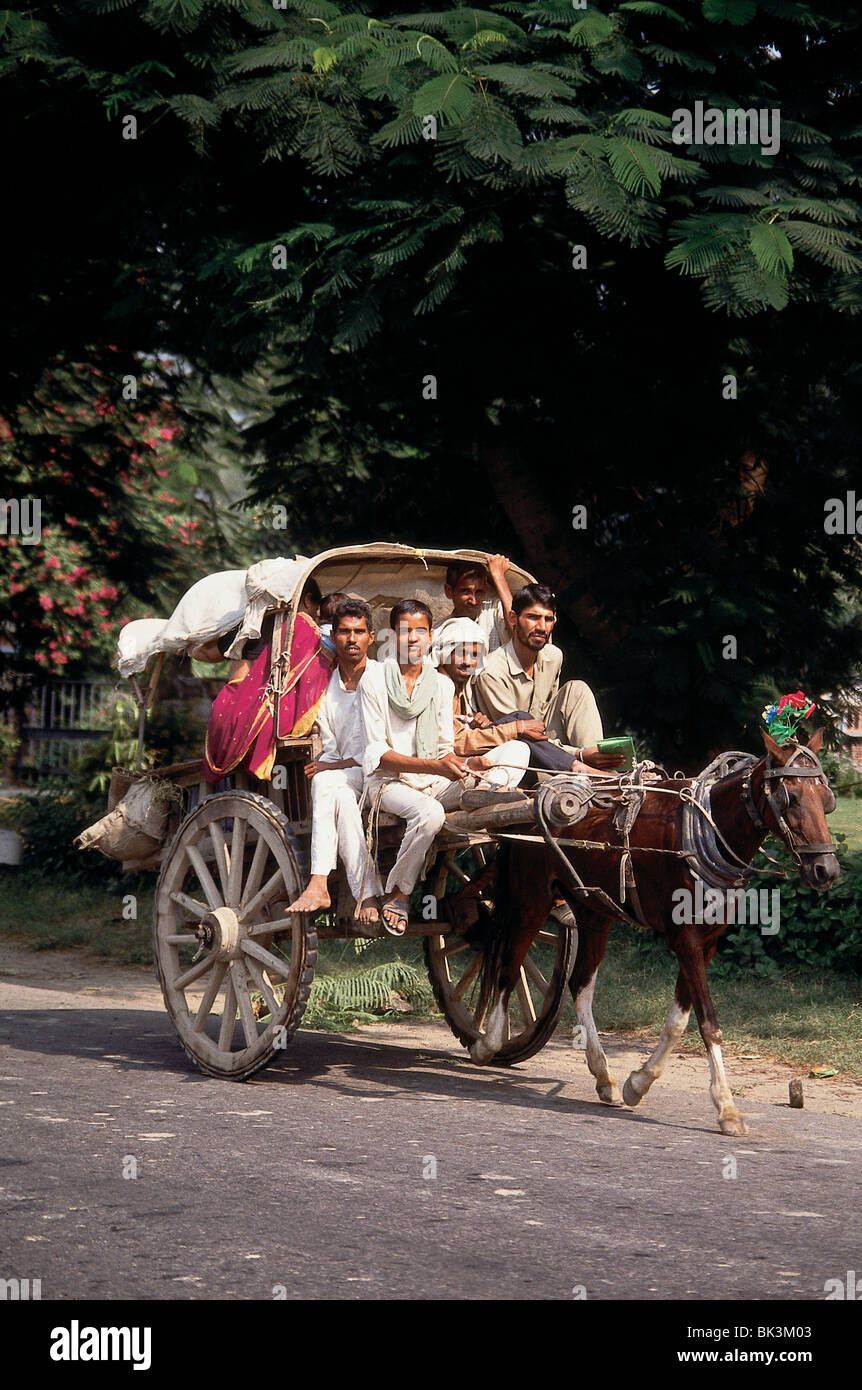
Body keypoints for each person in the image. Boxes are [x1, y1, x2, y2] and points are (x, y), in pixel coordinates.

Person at [358, 599, 487, 935]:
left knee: (507, 761)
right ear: (392, 635)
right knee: (430, 813)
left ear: (430, 636)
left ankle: (481, 796)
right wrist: (435, 766)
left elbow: (445, 748)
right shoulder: (373, 680)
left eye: (420, 631)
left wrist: (472, 765)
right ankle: (399, 893)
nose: (412, 639)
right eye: (404, 631)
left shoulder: (442, 686)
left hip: (434, 781)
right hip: (388, 784)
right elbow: (376, 754)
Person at [285, 599, 383, 925]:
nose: (351, 639)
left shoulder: (384, 679)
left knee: (327, 781)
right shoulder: (322, 683)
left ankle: (318, 881)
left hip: (379, 772)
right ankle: (366, 893)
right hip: (340, 775)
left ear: (372, 636)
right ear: (333, 635)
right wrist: (332, 766)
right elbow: (322, 741)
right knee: (337, 793)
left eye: (359, 632)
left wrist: (334, 768)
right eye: (344, 632)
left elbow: (382, 745)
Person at [473, 583, 623, 773]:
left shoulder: (553, 656)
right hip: (518, 756)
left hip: (552, 743)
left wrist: (586, 752)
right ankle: (592, 771)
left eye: (548, 619)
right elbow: (520, 735)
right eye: (533, 617)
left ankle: (600, 765)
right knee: (523, 725)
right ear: (513, 619)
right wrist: (579, 754)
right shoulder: (492, 672)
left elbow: (547, 714)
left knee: (577, 688)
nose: (541, 627)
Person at [195, 578, 332, 784]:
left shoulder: (245, 626)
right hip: (258, 715)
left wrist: (190, 645)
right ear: (306, 600)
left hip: (226, 714)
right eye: (316, 610)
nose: (316, 618)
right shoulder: (302, 629)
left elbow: (205, 653)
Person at [444, 555, 514, 654]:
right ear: (449, 591)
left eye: (479, 592)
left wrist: (499, 577)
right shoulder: (441, 630)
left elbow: (519, 632)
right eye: (465, 591)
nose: (474, 601)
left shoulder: (494, 612)